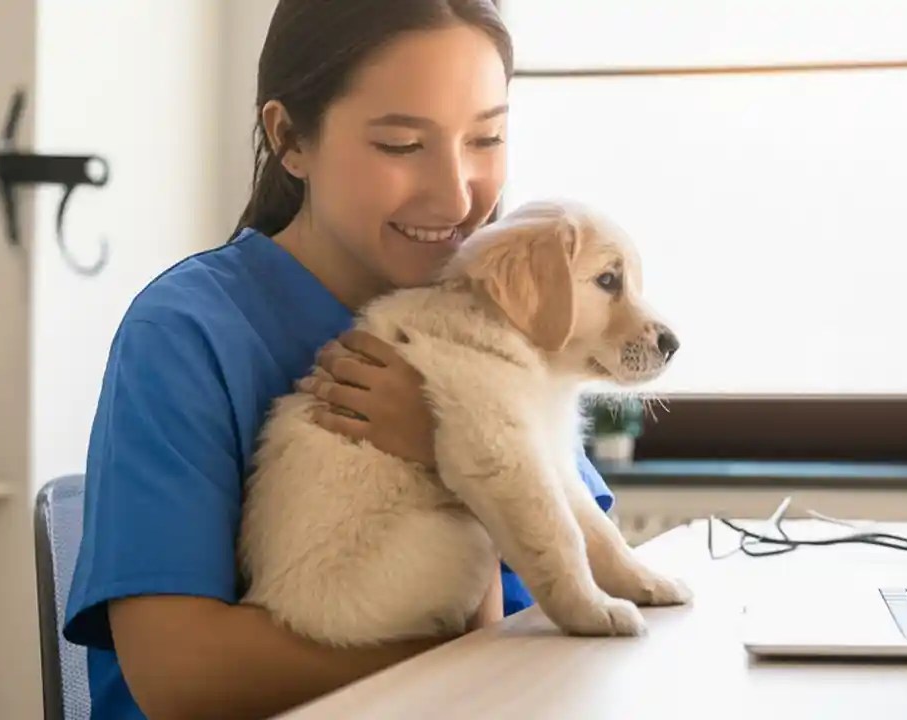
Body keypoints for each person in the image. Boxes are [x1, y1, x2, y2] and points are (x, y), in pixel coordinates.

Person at [62, 2, 614, 718]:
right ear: (290, 137)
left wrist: (455, 450)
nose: (456, 194)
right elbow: (180, 675)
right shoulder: (187, 334)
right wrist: (464, 471)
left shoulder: (501, 314)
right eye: (399, 145)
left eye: (488, 137)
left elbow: (575, 597)